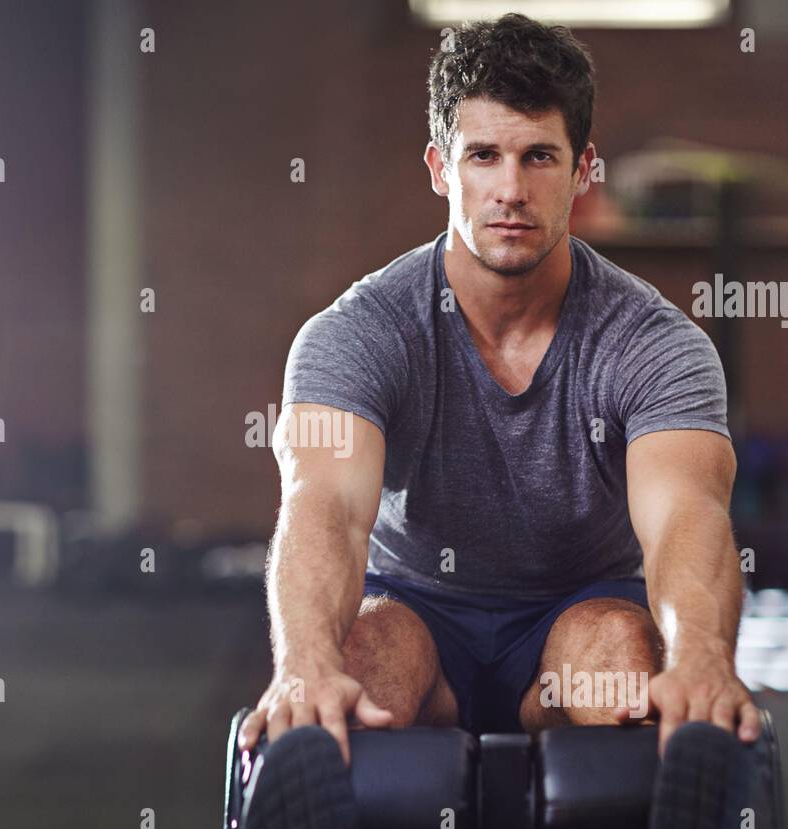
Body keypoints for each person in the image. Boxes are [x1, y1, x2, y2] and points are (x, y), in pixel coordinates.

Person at [238, 12, 759, 768]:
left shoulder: (656, 343)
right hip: (414, 614)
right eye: (483, 155)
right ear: (440, 169)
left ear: (583, 171)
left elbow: (685, 515)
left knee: (624, 665)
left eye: (538, 157)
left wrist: (703, 661)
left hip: (574, 621)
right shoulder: (356, 334)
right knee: (351, 670)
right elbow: (328, 509)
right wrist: (305, 665)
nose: (510, 189)